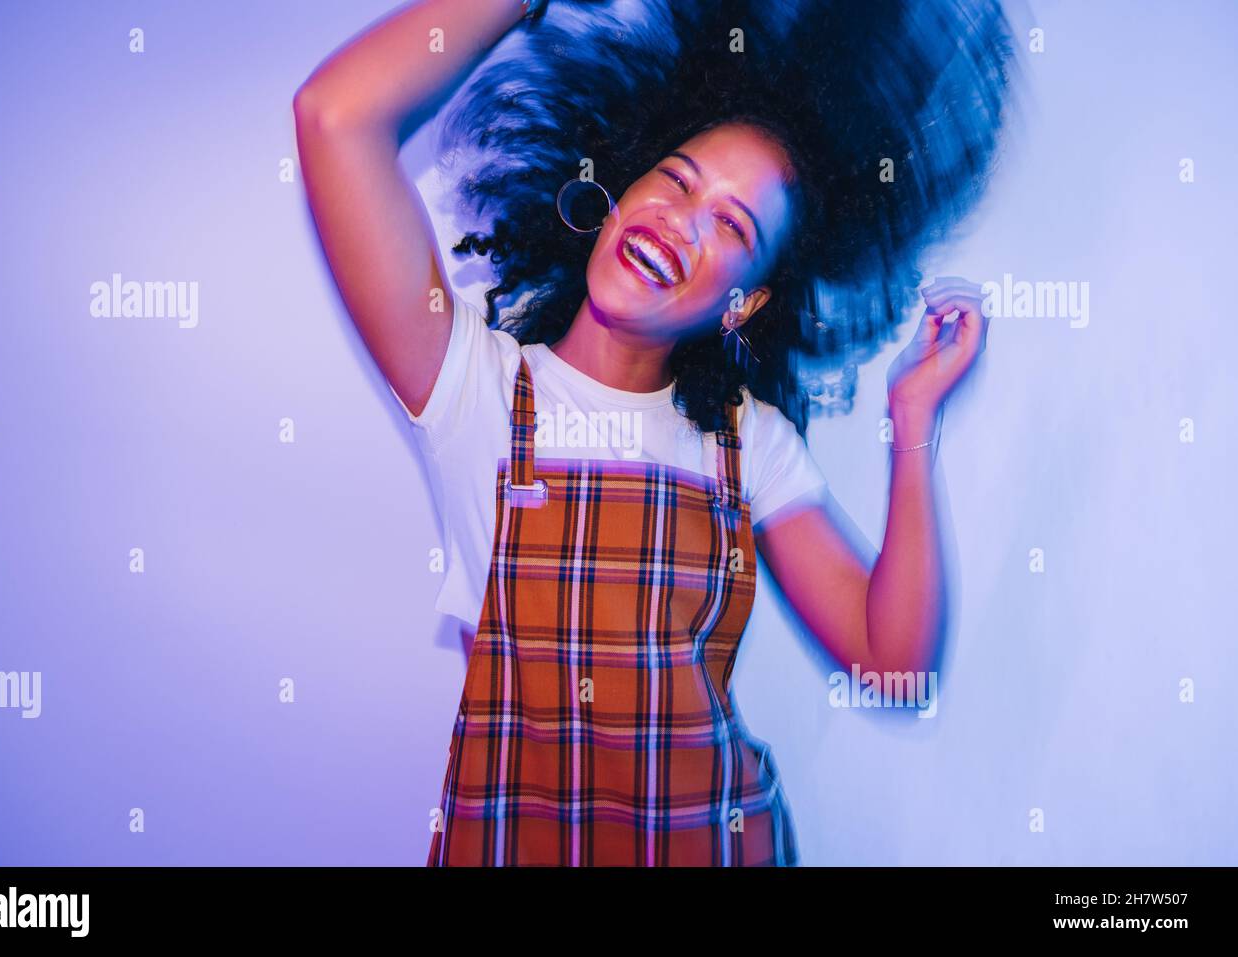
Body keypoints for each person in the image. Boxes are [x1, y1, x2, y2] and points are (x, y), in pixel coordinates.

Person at [294, 0, 1013, 865]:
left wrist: (913, 420)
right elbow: (335, 118)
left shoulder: (746, 442)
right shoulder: (474, 390)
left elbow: (895, 665)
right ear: (621, 191)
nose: (683, 216)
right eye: (676, 179)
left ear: (743, 303)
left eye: (732, 224)